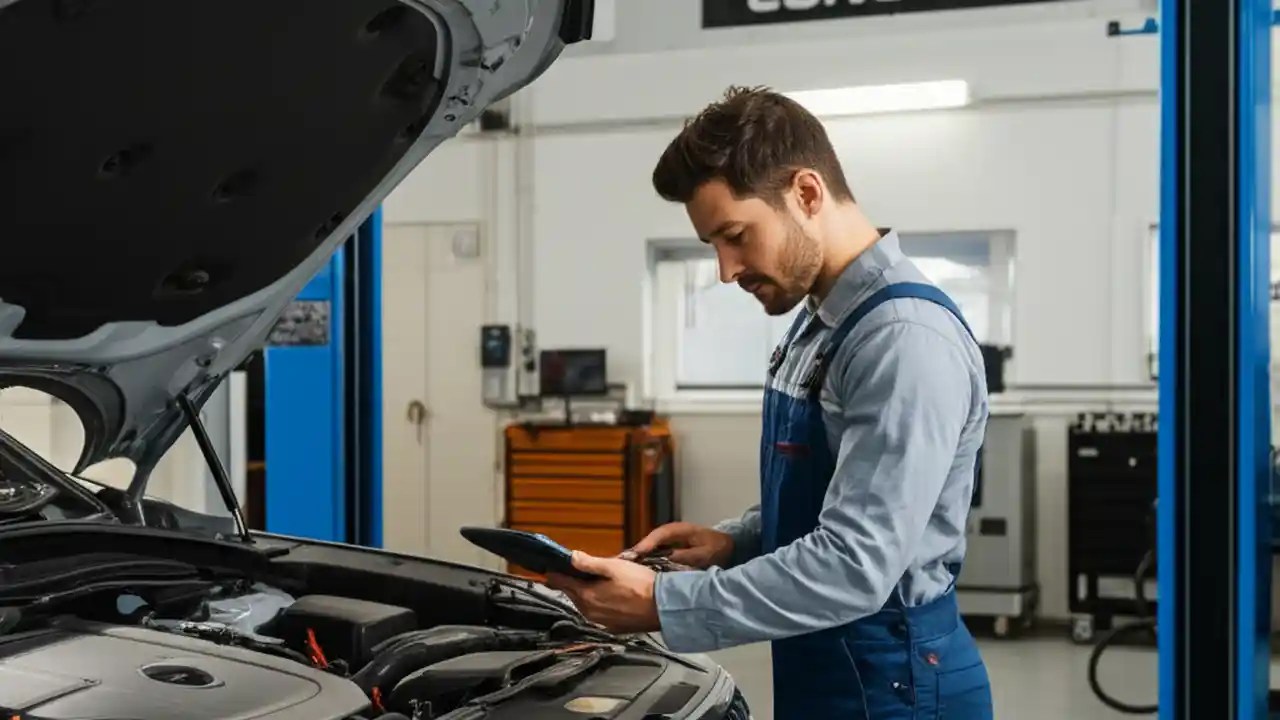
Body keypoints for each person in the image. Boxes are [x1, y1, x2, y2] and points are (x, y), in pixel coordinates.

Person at [545, 85, 994, 719]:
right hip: (829, 666)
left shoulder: (901, 340)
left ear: (806, 194)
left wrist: (663, 604)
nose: (727, 271)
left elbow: (853, 566)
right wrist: (737, 542)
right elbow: (839, 493)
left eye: (736, 236)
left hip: (898, 687)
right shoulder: (821, 320)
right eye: (713, 247)